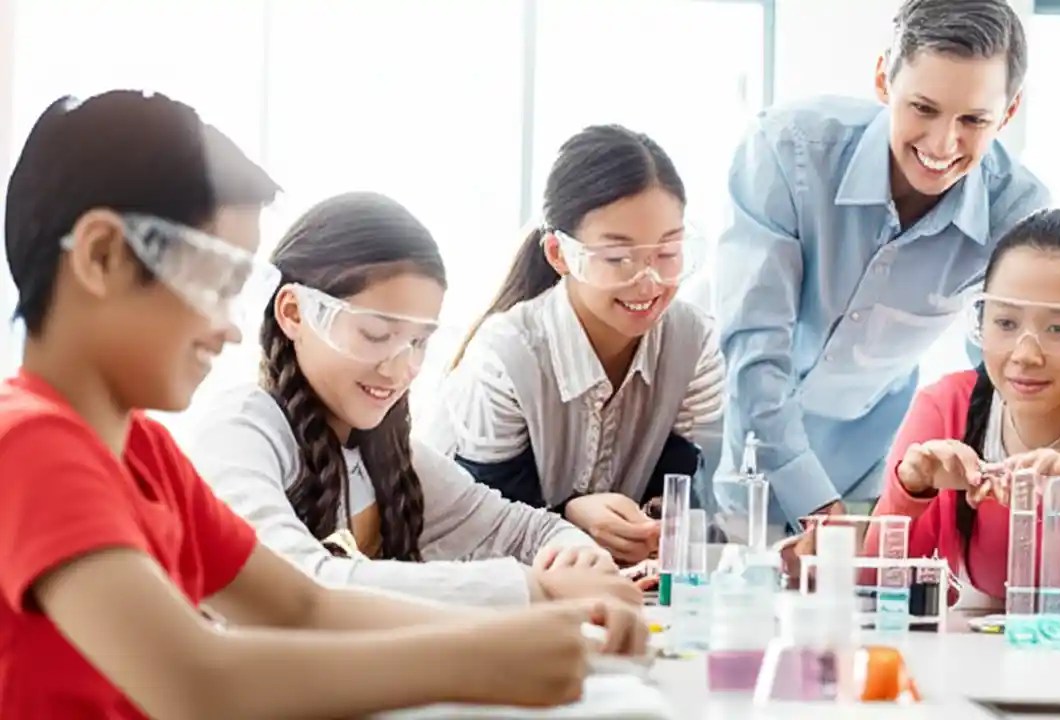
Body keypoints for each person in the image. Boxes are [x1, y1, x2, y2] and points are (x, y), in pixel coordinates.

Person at [0, 90, 645, 718]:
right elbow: (197, 685)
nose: (227, 329)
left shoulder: (146, 452)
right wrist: (486, 657)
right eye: (215, 284)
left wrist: (543, 620)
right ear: (103, 256)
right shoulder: (29, 444)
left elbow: (303, 607)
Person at [188, 191, 638, 607]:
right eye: (376, 334)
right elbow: (296, 583)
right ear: (293, 313)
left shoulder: (390, 454)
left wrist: (582, 559)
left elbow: (524, 530)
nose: (401, 369)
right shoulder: (242, 429)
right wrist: (535, 589)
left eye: (418, 342)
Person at [715, 0, 1050, 531]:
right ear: (882, 80)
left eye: (974, 120)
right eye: (923, 108)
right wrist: (811, 505)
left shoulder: (1017, 213)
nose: (943, 143)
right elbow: (756, 350)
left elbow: (1002, 377)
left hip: (861, 467)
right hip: (719, 433)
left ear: (1008, 114)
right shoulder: (785, 150)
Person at [423, 125, 724, 565]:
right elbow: (482, 527)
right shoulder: (506, 355)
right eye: (618, 258)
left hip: (602, 585)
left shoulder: (692, 343)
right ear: (559, 255)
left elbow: (690, 490)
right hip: (475, 580)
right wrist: (569, 517)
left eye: (668, 253)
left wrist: (655, 525)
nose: (648, 281)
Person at [865, 209, 1060, 608]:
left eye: (1059, 329)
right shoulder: (945, 408)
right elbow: (872, 586)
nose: (1025, 355)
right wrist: (910, 490)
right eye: (1006, 323)